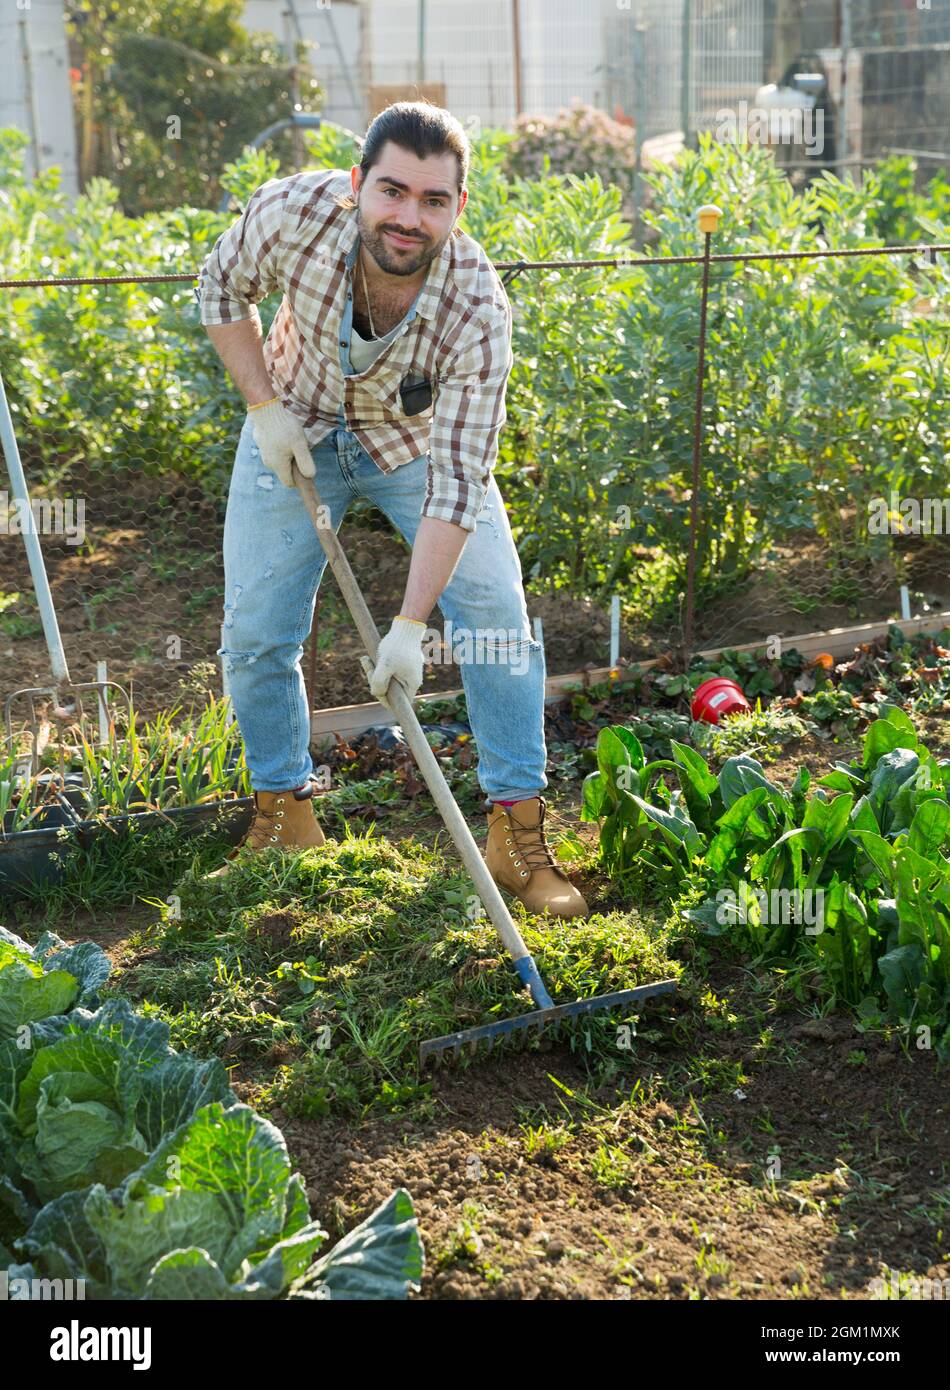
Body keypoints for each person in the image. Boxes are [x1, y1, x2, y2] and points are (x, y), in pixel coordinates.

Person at [198, 100, 588, 919]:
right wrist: (264, 407)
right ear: (356, 186)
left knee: (495, 616)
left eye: (433, 200)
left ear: (458, 207)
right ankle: (285, 815)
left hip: (412, 448)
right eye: (392, 191)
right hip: (293, 419)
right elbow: (220, 286)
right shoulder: (291, 214)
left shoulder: (476, 307)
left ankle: (517, 836)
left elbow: (459, 479)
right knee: (257, 628)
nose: (409, 217)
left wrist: (410, 625)